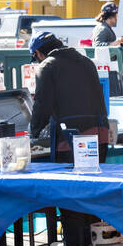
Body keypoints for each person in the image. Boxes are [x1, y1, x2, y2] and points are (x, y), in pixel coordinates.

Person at [29, 32, 110, 160]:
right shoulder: (87, 62)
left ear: (38, 53)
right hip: (101, 135)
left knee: (71, 178)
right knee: (97, 177)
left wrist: (33, 133)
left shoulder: (47, 66)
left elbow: (42, 105)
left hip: (71, 138)